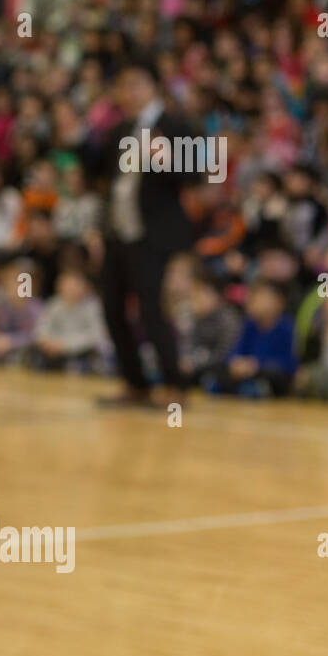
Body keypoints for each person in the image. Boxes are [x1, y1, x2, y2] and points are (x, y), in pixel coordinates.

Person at [96, 59, 199, 407]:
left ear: (155, 86)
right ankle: (136, 384)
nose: (130, 92)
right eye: (124, 85)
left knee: (152, 310)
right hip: (118, 233)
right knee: (111, 308)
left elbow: (201, 173)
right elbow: (108, 182)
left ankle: (175, 387)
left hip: (154, 237)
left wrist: (166, 158)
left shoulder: (176, 126)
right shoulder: (119, 129)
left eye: (137, 84)